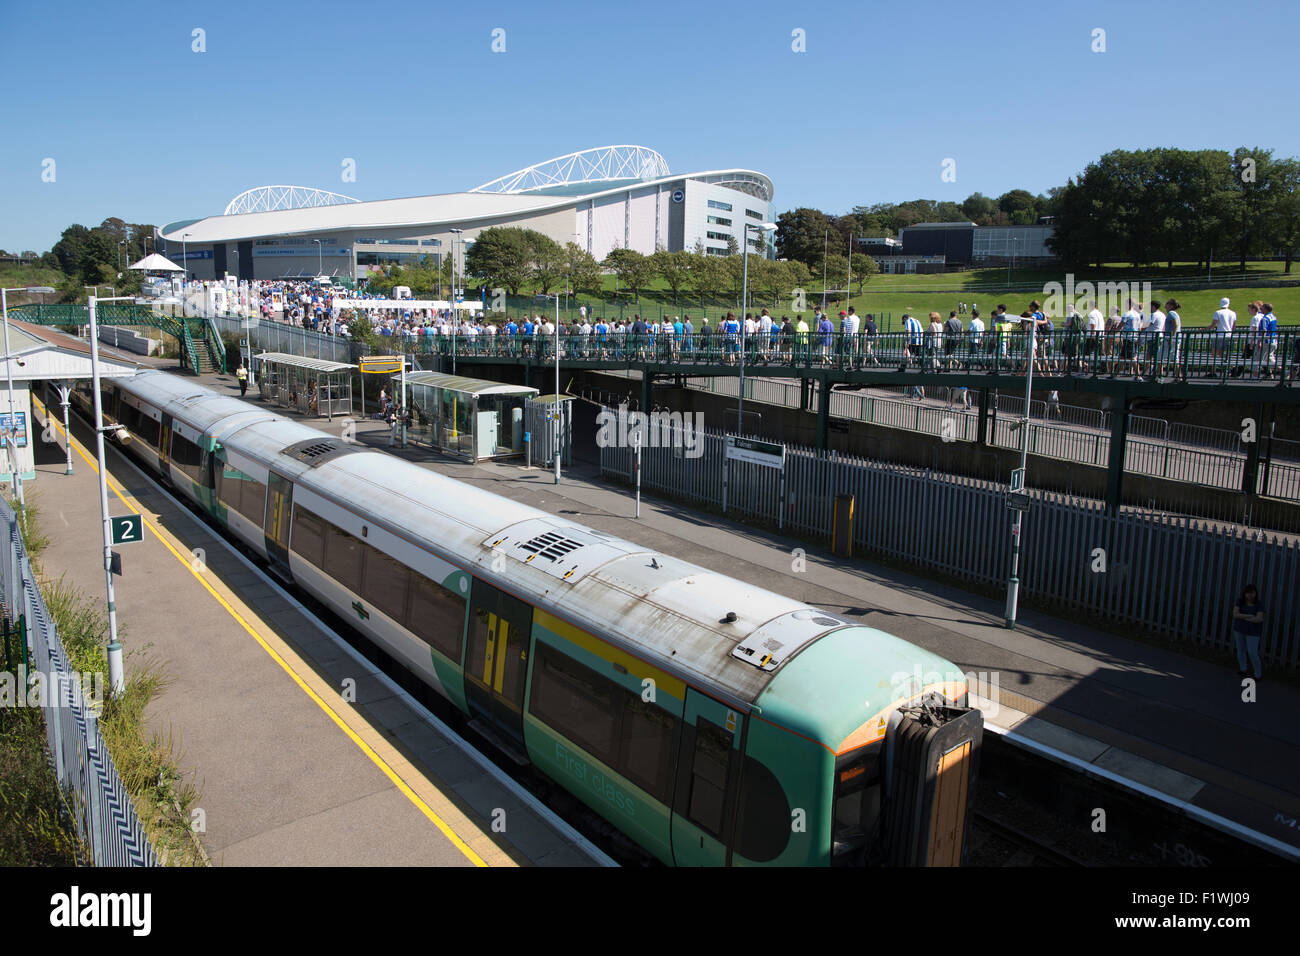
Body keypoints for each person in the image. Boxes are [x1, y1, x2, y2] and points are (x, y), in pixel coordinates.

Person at [1231, 584, 1264, 680]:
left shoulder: (1259, 604)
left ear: (1255, 593)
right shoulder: (1240, 601)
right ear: (1244, 594)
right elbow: (1235, 614)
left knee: (1252, 652)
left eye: (1252, 593)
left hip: (1253, 632)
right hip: (1239, 629)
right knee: (1240, 650)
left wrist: (1242, 616)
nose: (1250, 595)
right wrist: (1249, 616)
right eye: (1248, 593)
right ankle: (1243, 669)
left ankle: (1258, 674)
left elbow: (1259, 619)